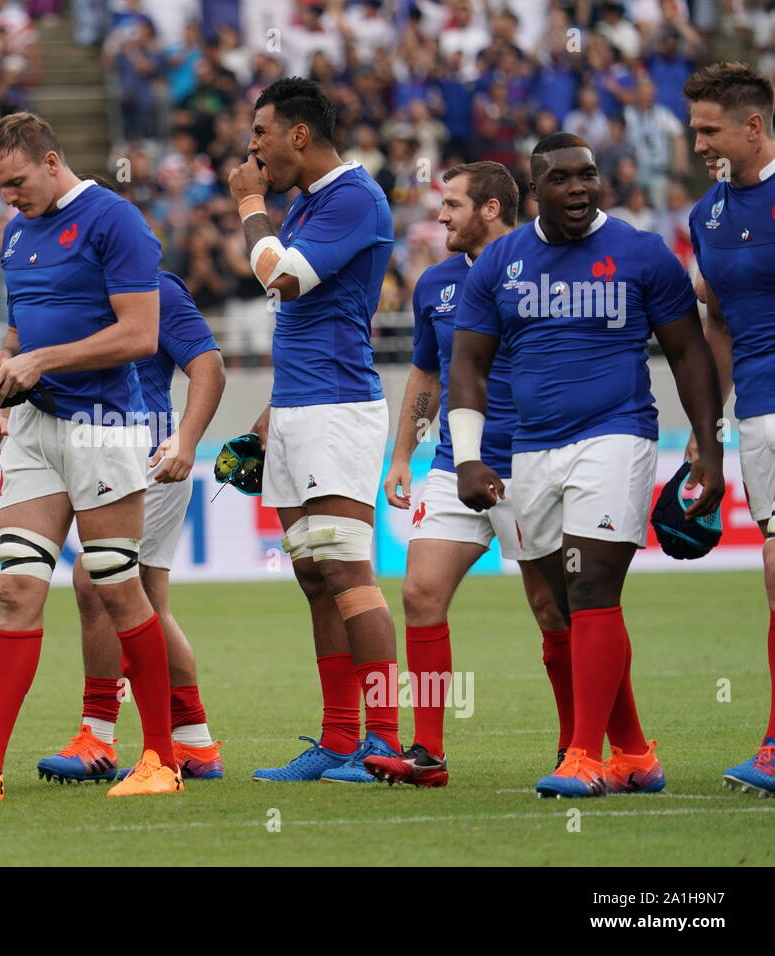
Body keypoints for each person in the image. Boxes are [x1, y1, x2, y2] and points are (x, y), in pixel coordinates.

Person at [0, 112, 180, 800]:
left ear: (52, 161)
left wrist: (40, 360)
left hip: (103, 425)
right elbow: (23, 330)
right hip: (35, 423)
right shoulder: (17, 230)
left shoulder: (115, 221)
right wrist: (2, 374)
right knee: (16, 587)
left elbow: (141, 334)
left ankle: (162, 761)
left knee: (117, 587)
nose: (8, 197)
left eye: (17, 182)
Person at [450, 133, 725, 797]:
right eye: (562, 179)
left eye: (588, 176)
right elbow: (468, 363)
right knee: (563, 610)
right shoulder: (500, 264)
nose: (578, 188)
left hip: (617, 435)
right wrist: (466, 457)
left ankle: (582, 756)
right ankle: (632, 752)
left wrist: (709, 446)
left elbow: (688, 351)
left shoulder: (640, 251)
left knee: (594, 587)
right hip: (531, 451)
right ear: (533, 189)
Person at [368, 162, 568, 787]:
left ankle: (577, 745)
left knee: (553, 610)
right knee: (420, 594)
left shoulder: (543, 269)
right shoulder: (434, 284)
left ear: (489, 209)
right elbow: (427, 376)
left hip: (529, 463)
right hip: (456, 464)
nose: (441, 216)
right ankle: (427, 753)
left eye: (452, 204)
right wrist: (403, 455)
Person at [228, 76, 402, 783]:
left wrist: (247, 206)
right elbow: (304, 320)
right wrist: (276, 404)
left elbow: (285, 283)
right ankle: (337, 742)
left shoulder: (355, 198)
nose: (253, 149)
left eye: (260, 134)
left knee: (347, 573)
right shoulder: (306, 205)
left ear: (299, 133)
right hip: (300, 407)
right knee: (311, 575)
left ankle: (387, 742)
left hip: (338, 410)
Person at [18, 268, 226, 783]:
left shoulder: (155, 285)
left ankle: (99, 738)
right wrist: (6, 412)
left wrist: (187, 440)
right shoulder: (60, 285)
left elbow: (209, 366)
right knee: (148, 603)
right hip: (94, 448)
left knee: (96, 580)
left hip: (147, 454)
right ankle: (194, 743)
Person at [684, 61, 775, 795]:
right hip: (757, 416)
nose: (697, 143)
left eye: (709, 130)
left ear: (753, 126)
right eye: (692, 130)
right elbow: (717, 324)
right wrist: (705, 424)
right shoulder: (706, 215)